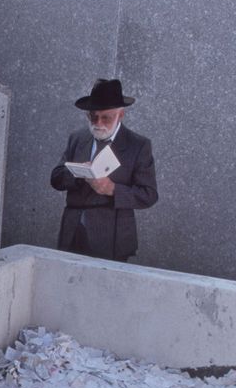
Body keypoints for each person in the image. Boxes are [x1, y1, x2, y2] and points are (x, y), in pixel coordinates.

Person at [50, 78, 158, 261]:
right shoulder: (77, 138)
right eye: (93, 117)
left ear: (120, 115)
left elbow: (149, 195)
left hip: (112, 239)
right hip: (72, 233)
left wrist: (112, 189)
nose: (98, 123)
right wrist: (77, 174)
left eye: (105, 118)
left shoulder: (138, 145)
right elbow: (55, 178)